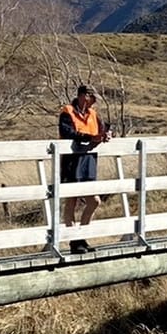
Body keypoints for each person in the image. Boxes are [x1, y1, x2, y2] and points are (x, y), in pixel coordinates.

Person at [58, 85, 109, 253]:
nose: (94, 102)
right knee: (71, 201)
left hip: (88, 161)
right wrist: (87, 137)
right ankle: (74, 242)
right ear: (83, 96)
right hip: (71, 161)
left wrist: (106, 135)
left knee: (94, 201)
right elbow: (67, 132)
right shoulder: (68, 111)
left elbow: (101, 130)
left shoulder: (93, 114)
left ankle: (81, 237)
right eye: (92, 98)